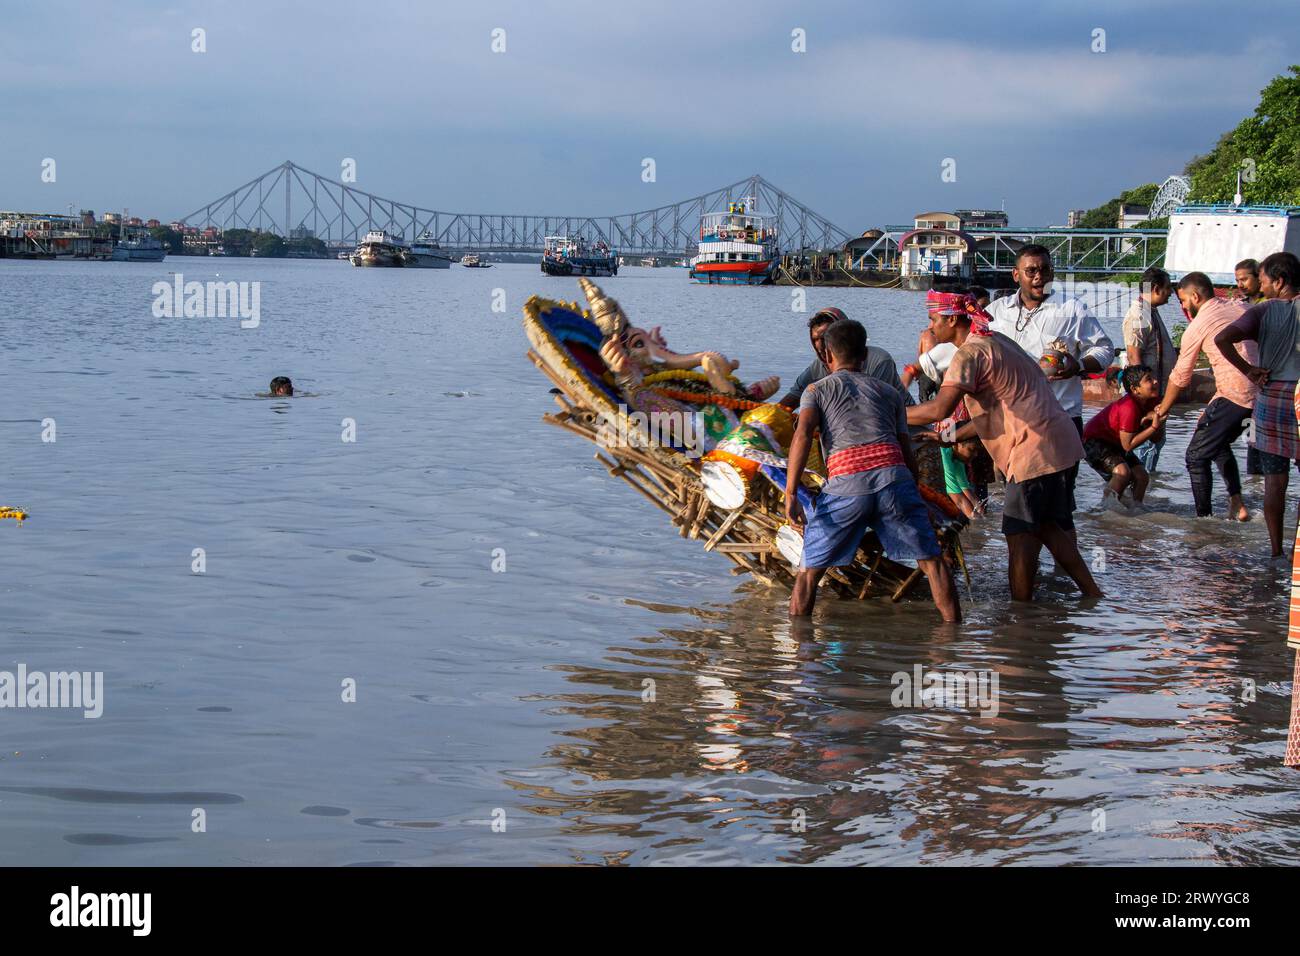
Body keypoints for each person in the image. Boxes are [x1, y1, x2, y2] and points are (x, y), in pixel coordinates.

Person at [909, 295, 1103, 601]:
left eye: (934, 320)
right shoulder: (996, 340)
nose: (931, 328)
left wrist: (886, 411)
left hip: (1033, 449)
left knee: (1019, 536)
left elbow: (938, 410)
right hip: (1060, 439)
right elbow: (995, 414)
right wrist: (947, 437)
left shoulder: (969, 354)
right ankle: (1093, 594)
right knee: (1049, 528)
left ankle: (1019, 617)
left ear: (952, 320)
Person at [785, 319, 960, 622]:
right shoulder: (888, 393)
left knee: (809, 571)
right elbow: (906, 452)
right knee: (932, 562)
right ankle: (953, 636)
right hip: (894, 480)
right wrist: (916, 499)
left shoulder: (816, 391)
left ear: (827, 355)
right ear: (864, 355)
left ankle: (801, 654)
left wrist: (790, 493)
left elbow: (802, 436)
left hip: (847, 487)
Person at [984, 245, 1114, 504]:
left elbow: (1105, 348)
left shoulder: (1072, 309)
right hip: (1012, 421)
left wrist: (1077, 366)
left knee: (1060, 504)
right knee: (1014, 499)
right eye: (1030, 270)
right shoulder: (997, 312)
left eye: (1045, 270)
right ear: (1015, 274)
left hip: (1059, 419)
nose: (1038, 277)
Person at [1213, 251, 1300, 557]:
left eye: (1263, 280)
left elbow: (1223, 338)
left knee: (1275, 482)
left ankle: (1277, 552)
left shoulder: (1263, 312)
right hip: (1299, 396)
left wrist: (1248, 369)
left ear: (1279, 281)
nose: (1261, 287)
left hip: (1272, 397)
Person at [1153, 272, 1252, 521]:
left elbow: (1180, 376)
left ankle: (1203, 522)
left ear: (1195, 296)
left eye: (1184, 301)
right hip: (1262, 391)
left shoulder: (1199, 324)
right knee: (1214, 441)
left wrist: (1162, 410)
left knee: (1195, 456)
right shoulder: (1241, 305)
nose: (1184, 307)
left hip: (1237, 393)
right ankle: (1236, 503)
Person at [778, 306, 909, 408]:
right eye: (815, 339)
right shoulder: (817, 368)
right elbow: (789, 402)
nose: (820, 346)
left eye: (825, 338)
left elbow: (870, 409)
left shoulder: (879, 361)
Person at [1082, 365, 1163, 505]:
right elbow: (1128, 445)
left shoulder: (1153, 402)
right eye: (1149, 379)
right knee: (1122, 473)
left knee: (1142, 476)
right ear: (1134, 389)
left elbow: (1156, 439)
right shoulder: (1128, 407)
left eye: (1153, 377)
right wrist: (1154, 426)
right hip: (1093, 441)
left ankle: (1135, 510)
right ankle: (1105, 511)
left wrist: (1156, 422)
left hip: (1115, 442)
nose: (1155, 381)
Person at [1121, 267, 1175, 471]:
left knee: (1155, 439)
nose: (1171, 293)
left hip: (1154, 390)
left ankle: (1144, 484)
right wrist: (1145, 399)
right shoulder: (1139, 314)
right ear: (1155, 288)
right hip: (1146, 394)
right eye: (1168, 288)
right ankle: (1142, 485)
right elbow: (1135, 355)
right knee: (1148, 439)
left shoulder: (1149, 311)